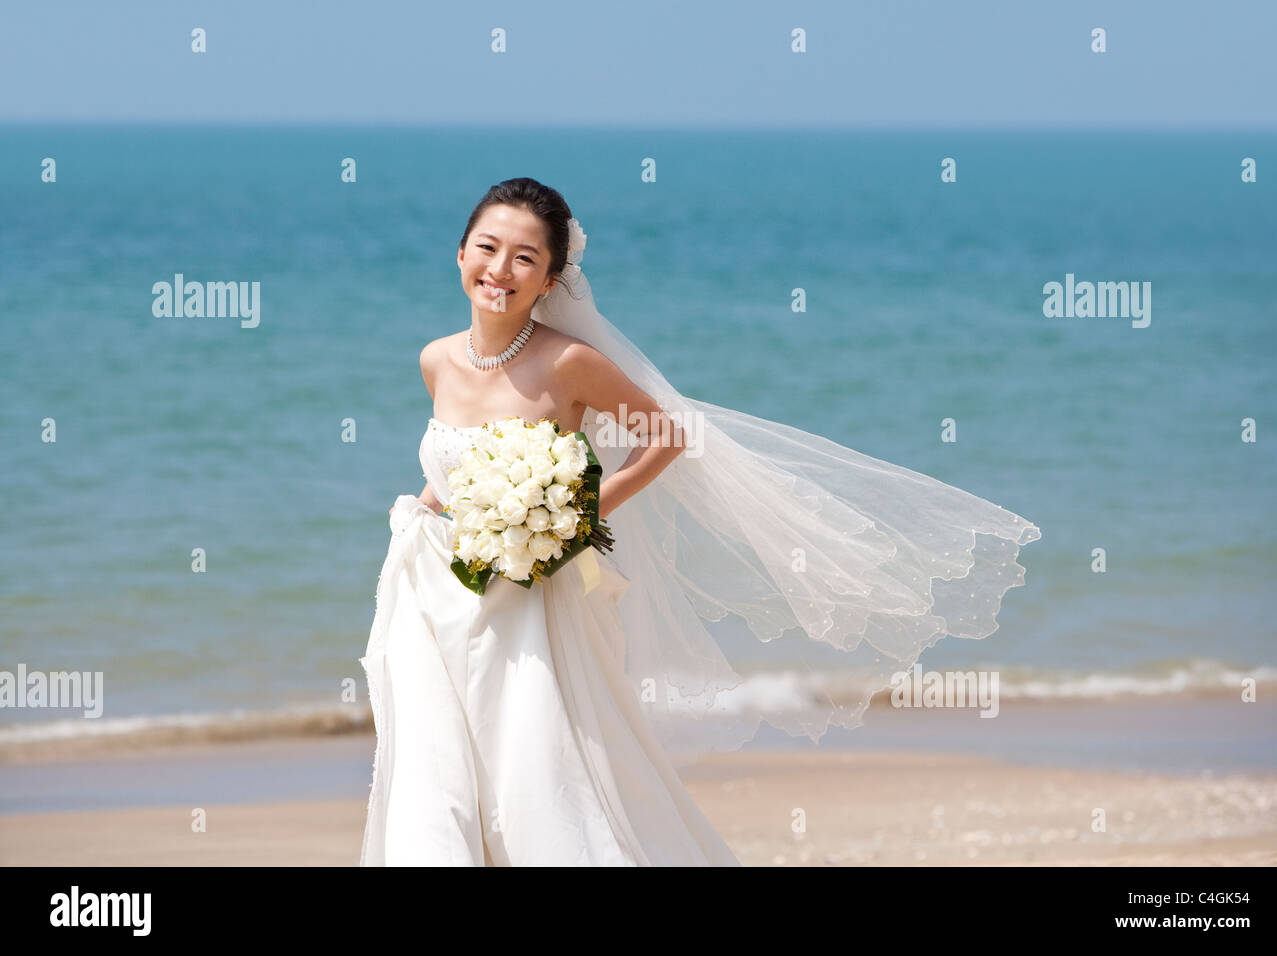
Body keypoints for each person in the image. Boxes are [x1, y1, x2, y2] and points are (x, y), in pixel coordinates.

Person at [359, 177, 1041, 866]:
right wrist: (425, 508)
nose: (500, 270)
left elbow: (666, 435)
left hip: (532, 602)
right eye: (488, 248)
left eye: (525, 258)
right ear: (460, 254)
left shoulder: (569, 363)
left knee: (534, 770)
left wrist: (577, 515)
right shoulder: (436, 359)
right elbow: (454, 465)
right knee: (433, 771)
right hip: (434, 592)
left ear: (549, 281)